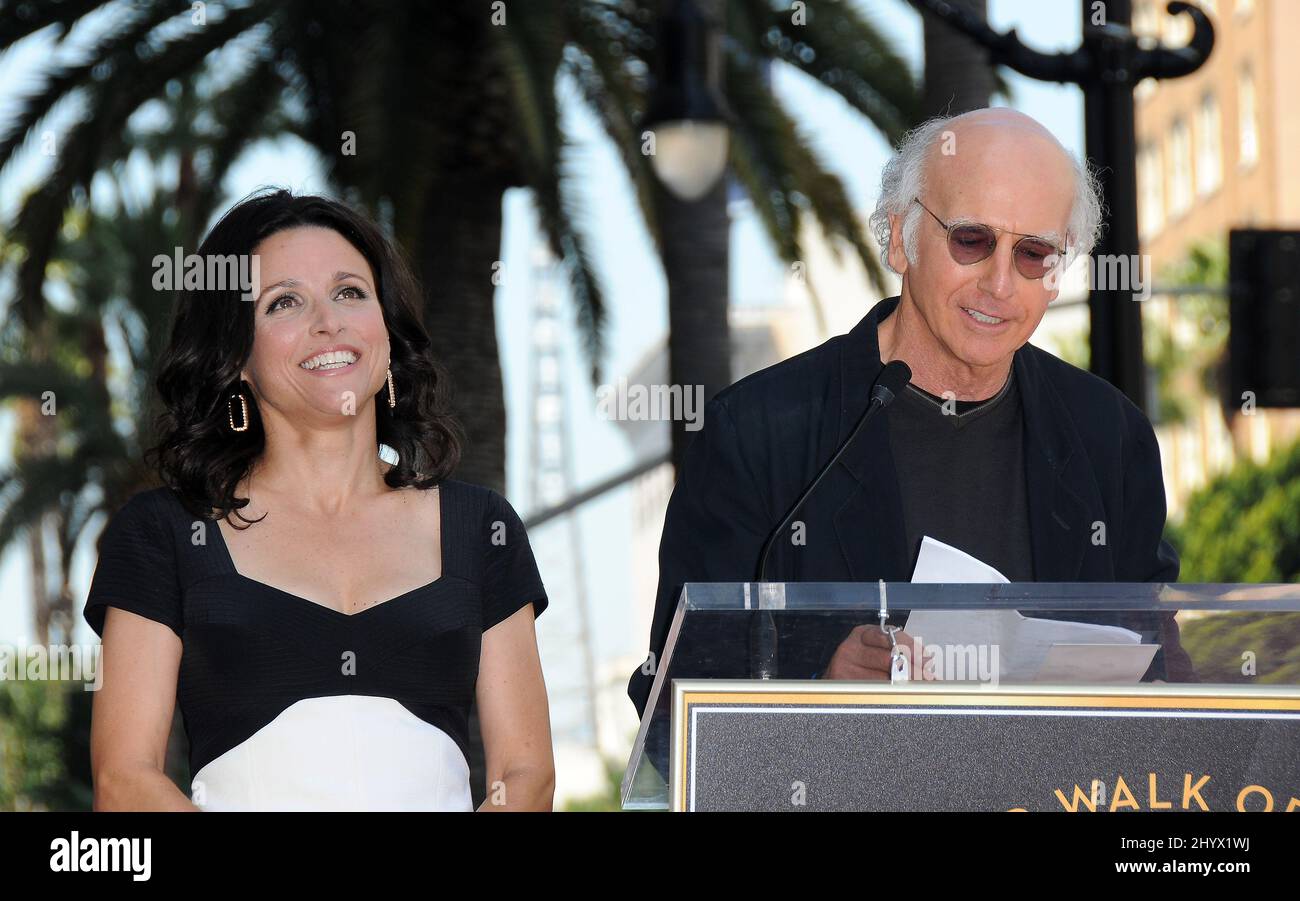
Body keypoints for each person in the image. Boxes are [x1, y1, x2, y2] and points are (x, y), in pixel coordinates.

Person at [629, 108, 1194, 719]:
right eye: (972, 240)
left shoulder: (1107, 433)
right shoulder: (761, 432)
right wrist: (818, 687)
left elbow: (1159, 666)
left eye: (1033, 253)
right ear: (900, 238)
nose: (1000, 284)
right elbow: (675, 700)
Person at [84, 189, 554, 810]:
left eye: (351, 292)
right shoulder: (163, 532)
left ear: (386, 331)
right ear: (237, 358)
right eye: (284, 302)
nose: (328, 321)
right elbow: (124, 780)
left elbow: (525, 774)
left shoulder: (481, 528)